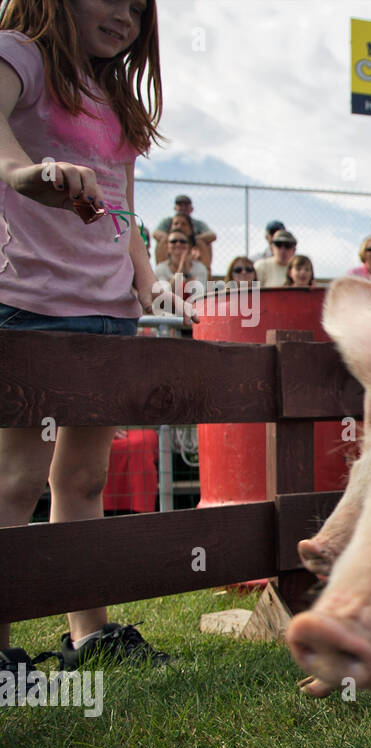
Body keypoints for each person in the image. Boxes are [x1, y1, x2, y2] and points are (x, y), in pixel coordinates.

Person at [0, 0, 179, 669]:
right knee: (15, 477)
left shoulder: (115, 99)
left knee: (84, 476)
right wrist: (25, 173)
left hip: (110, 313)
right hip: (31, 303)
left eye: (138, 8)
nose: (125, 16)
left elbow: (122, 205)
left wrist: (143, 279)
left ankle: (90, 636)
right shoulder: (21, 52)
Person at [152, 193, 214, 267]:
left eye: (186, 205)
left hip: (193, 252)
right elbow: (155, 233)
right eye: (180, 205)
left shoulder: (198, 223)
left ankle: (205, 272)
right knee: (162, 242)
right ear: (175, 208)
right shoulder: (168, 221)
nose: (183, 208)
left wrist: (191, 240)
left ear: (191, 209)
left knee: (204, 243)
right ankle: (162, 271)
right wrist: (174, 240)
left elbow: (212, 235)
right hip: (171, 252)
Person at [153, 229, 208, 300]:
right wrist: (181, 269)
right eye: (173, 241)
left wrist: (187, 274)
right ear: (167, 247)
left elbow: (199, 294)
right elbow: (165, 295)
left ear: (189, 246)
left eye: (183, 241)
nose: (178, 244)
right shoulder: (160, 268)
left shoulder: (200, 267)